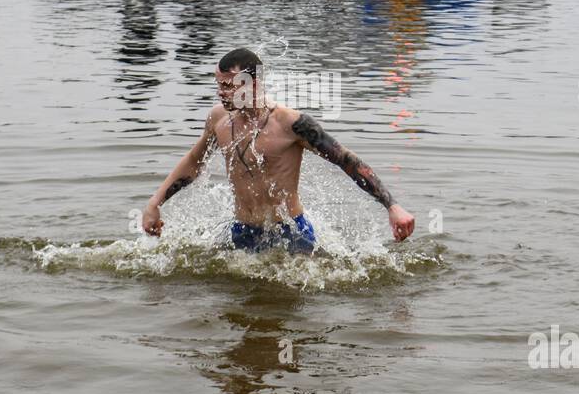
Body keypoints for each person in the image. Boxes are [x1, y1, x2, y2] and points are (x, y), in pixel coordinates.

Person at [142, 48, 416, 253]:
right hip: (241, 230)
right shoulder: (218, 120)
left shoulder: (291, 123)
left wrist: (392, 206)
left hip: (291, 233)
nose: (221, 93)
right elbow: (194, 161)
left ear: (255, 84)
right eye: (219, 85)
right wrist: (154, 204)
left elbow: (345, 160)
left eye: (229, 85)